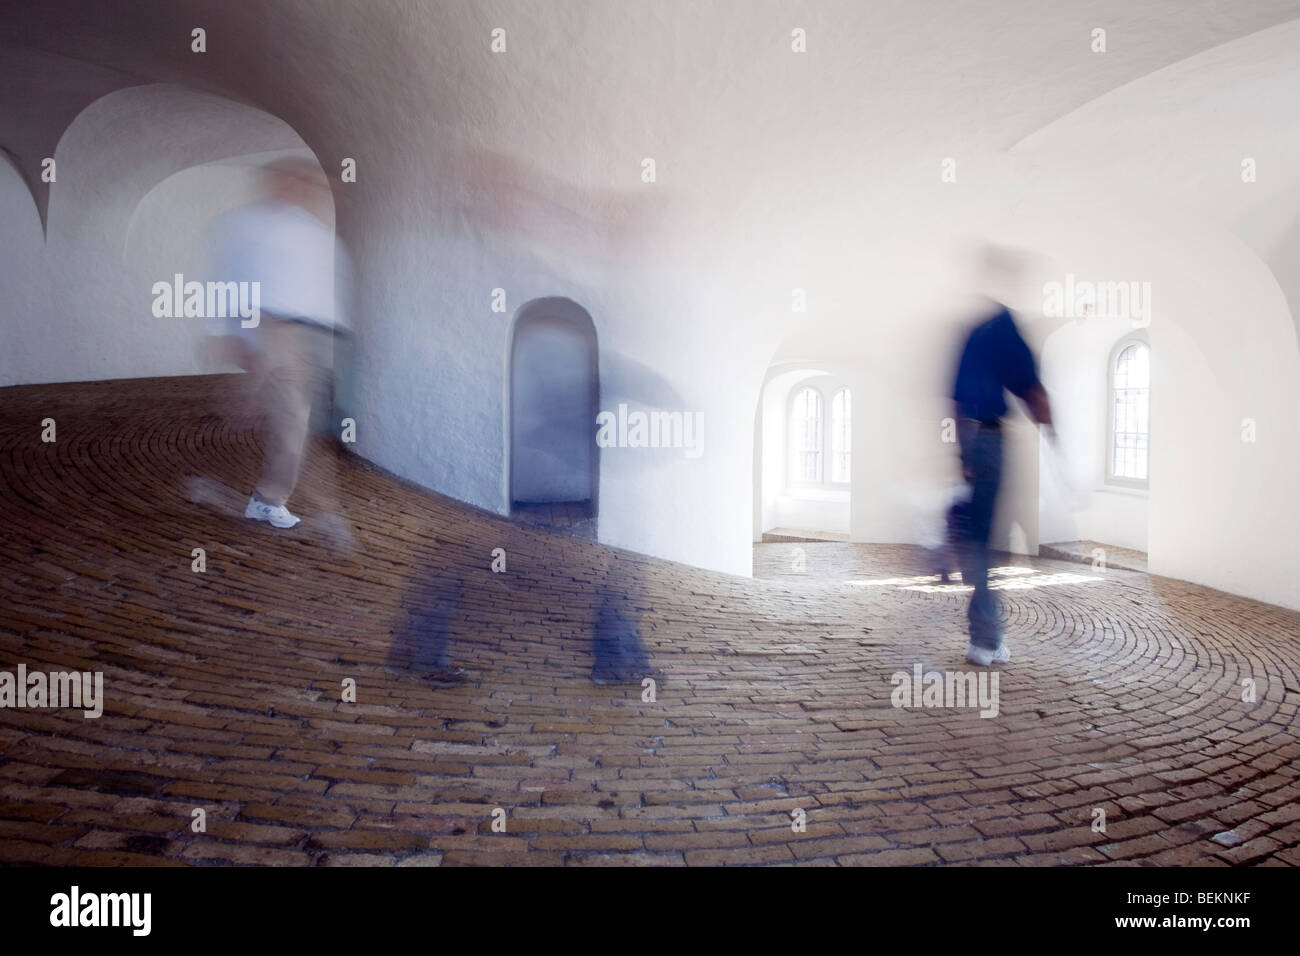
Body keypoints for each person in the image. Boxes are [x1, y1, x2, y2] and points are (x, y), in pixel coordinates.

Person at [203, 159, 350, 530]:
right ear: (277, 182)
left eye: (313, 184)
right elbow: (231, 279)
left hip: (309, 334)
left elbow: (325, 283)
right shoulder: (248, 225)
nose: (307, 189)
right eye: (298, 181)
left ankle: (241, 466)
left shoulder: (314, 232)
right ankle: (268, 500)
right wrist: (235, 335)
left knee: (288, 416)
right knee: (293, 419)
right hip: (273, 328)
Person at [950, 247, 1053, 666]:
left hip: (973, 440)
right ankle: (986, 639)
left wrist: (961, 452)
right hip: (991, 438)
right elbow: (1031, 390)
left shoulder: (971, 332)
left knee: (980, 539)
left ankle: (986, 635)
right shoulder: (1006, 326)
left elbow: (955, 400)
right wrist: (1049, 423)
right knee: (987, 543)